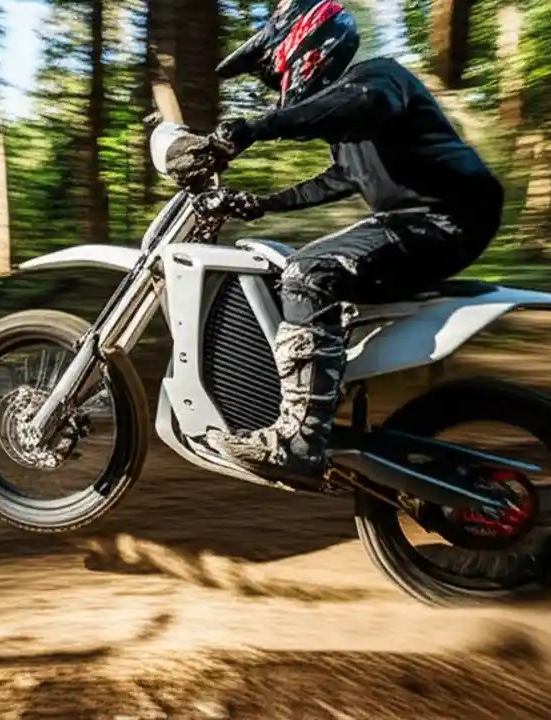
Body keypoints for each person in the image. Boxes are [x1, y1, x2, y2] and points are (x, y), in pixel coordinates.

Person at [193, 0, 504, 483]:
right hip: (424, 221)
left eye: (272, 74)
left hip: (443, 219)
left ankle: (300, 440)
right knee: (295, 271)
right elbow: (339, 179)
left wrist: (257, 128)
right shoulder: (350, 123)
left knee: (307, 274)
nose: (274, 89)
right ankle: (318, 394)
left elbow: (364, 104)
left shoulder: (377, 79)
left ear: (302, 47)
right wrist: (261, 203)